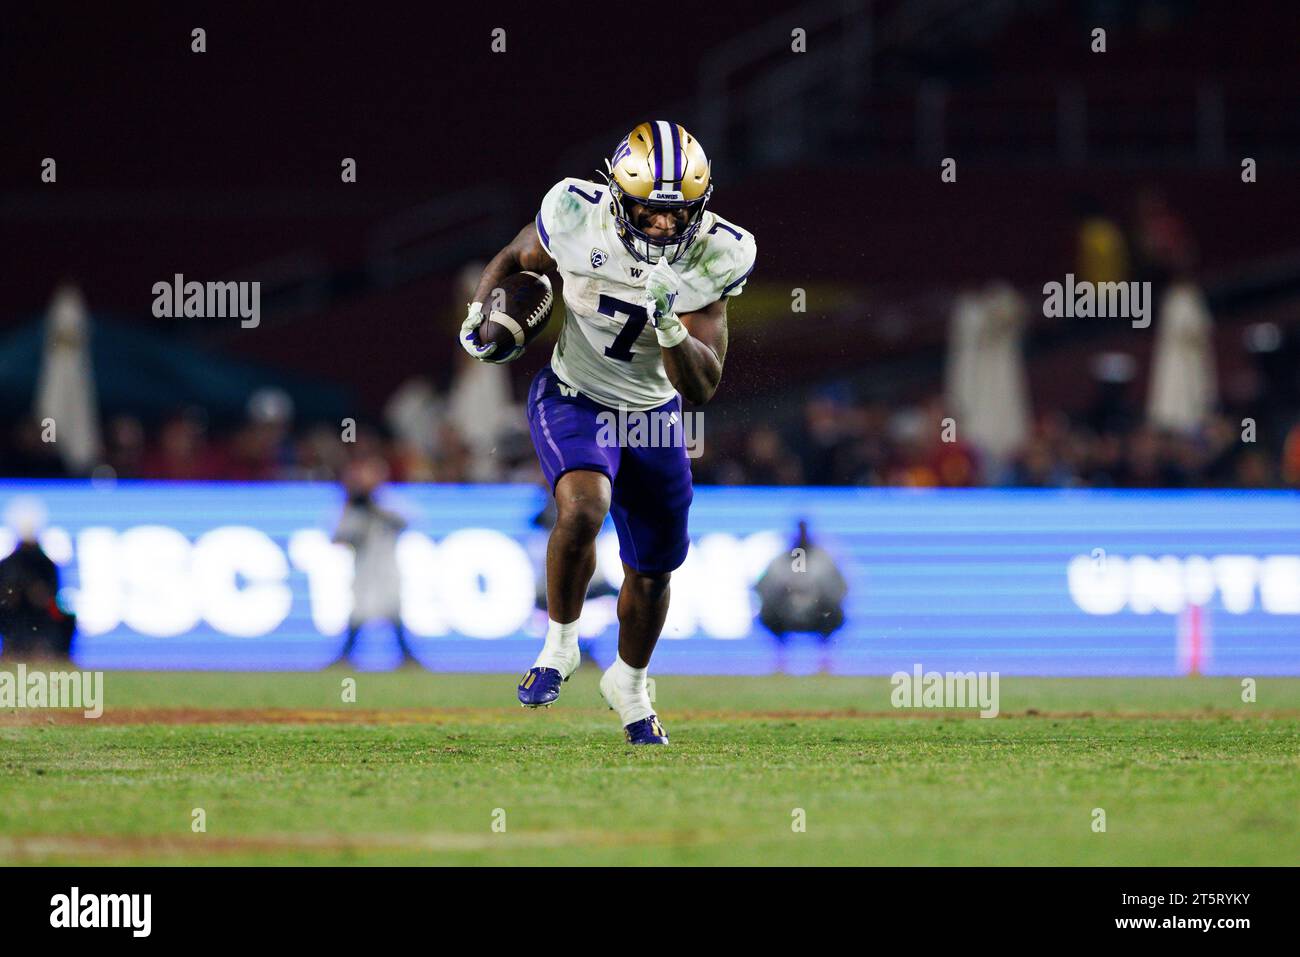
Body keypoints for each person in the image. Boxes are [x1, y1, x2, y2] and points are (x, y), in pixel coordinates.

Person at [458, 121, 756, 744]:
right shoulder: (573, 213)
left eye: (678, 216)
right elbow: (516, 257)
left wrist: (670, 323)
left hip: (653, 418)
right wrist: (478, 313)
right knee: (583, 505)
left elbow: (702, 387)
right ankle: (560, 644)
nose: (663, 228)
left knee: (653, 570)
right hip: (576, 397)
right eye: (649, 212)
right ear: (617, 195)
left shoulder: (720, 252)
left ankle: (630, 682)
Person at [332, 457, 415, 666]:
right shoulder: (352, 507)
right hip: (364, 569)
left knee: (393, 610)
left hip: (387, 568)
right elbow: (338, 537)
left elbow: (406, 521)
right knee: (359, 612)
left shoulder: (389, 501)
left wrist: (374, 509)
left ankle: (406, 657)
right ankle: (345, 657)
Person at [756, 521, 848, 674]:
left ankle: (824, 664)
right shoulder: (780, 562)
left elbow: (841, 588)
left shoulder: (823, 560)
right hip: (784, 614)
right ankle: (781, 664)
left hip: (818, 614)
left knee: (833, 612)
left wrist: (818, 600)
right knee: (768, 612)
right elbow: (763, 588)